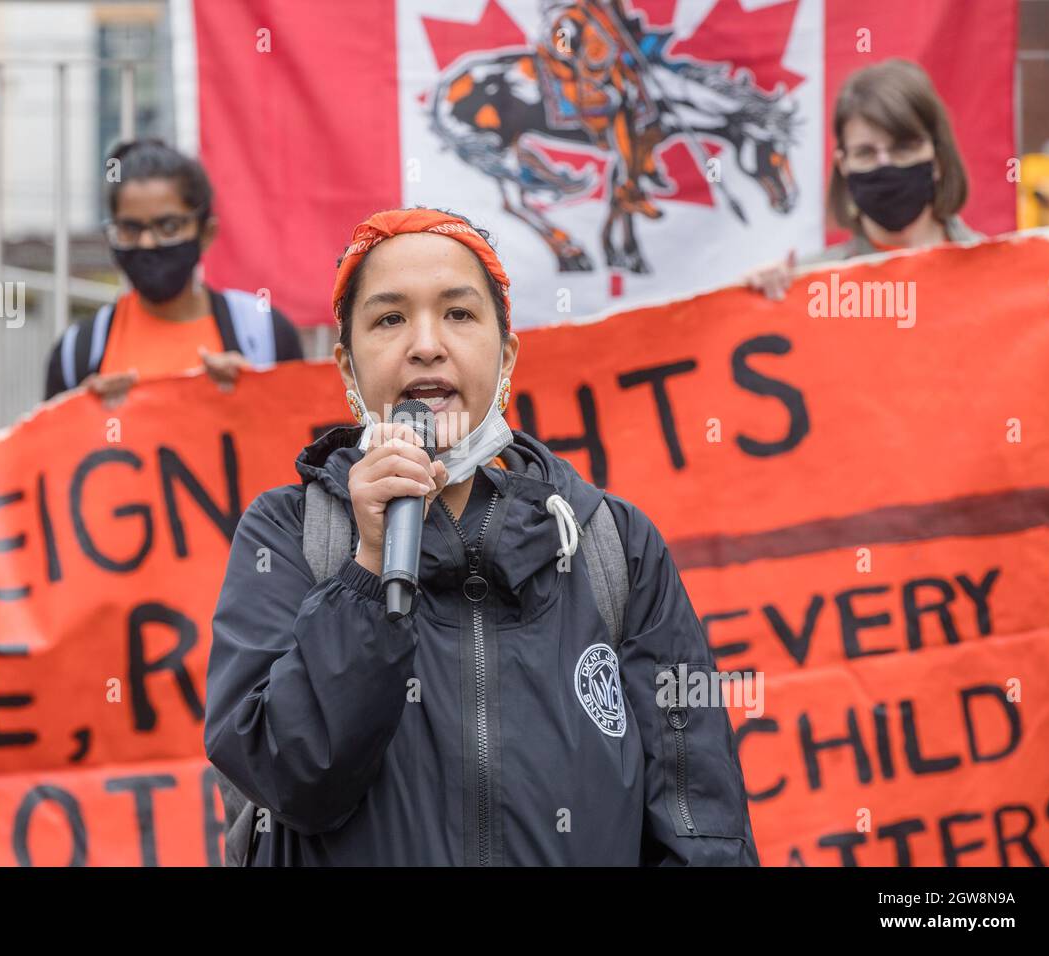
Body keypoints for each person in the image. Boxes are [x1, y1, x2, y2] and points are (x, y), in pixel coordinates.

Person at [203, 207, 760, 866]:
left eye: (459, 314)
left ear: (507, 354)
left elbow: (700, 819)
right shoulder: (291, 536)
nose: (426, 344)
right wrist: (368, 571)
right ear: (349, 370)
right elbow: (289, 781)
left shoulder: (614, 544)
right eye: (389, 319)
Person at [743, 58, 1049, 311]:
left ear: (937, 159)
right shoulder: (810, 288)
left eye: (903, 148)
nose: (886, 165)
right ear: (843, 166)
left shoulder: (1007, 279)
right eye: (866, 153)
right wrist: (753, 303)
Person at [44, 139, 303, 406]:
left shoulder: (265, 334)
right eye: (130, 229)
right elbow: (47, 446)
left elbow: (305, 438)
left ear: (206, 233)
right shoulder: (78, 353)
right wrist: (80, 415)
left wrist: (262, 396)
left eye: (168, 227)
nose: (147, 243)